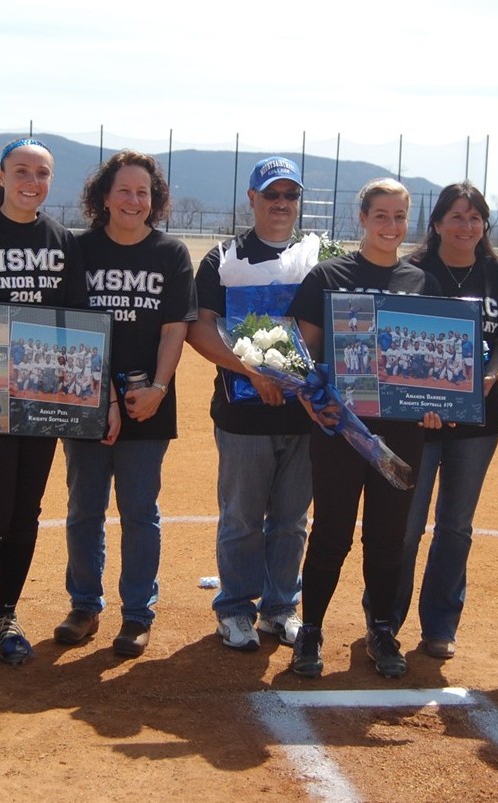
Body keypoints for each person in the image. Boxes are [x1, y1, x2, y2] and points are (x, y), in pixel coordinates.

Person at [286, 178, 443, 679]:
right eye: (381, 215)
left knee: (388, 535)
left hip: (401, 429)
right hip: (339, 428)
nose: (391, 226)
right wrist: (313, 400)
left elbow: (432, 356)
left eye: (400, 217)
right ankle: (310, 630)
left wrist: (434, 403)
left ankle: (380, 628)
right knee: (331, 531)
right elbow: (303, 352)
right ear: (362, 218)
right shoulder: (328, 276)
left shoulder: (421, 282)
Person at [0, 139, 86, 670]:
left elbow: (75, 317)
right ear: (0, 174)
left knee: (26, 511)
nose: (32, 180)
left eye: (42, 172)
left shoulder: (61, 240)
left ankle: (6, 616)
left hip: (42, 391)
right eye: (21, 170)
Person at [56, 150, 196, 658]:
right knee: (84, 509)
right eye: (124, 190)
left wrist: (157, 388)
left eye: (143, 192)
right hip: (86, 397)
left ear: (154, 199)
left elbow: (174, 327)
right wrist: (104, 395)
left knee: (140, 512)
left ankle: (136, 614)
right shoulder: (78, 249)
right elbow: (71, 325)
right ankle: (84, 605)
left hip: (149, 405)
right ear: (104, 196)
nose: (133, 200)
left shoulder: (171, 254)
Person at [388, 182, 498, 660]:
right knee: (406, 523)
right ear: (437, 223)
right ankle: (385, 618)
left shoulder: (497, 272)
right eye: (457, 217)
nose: (467, 226)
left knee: (456, 526)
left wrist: (491, 373)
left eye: (475, 217)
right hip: (417, 418)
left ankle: (440, 624)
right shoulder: (413, 271)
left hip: (478, 419)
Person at [186, 157, 312, 651]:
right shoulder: (223, 259)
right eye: (272, 194)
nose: (281, 204)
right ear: (252, 199)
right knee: (241, 516)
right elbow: (200, 328)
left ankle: (281, 608)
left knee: (292, 518)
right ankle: (236, 607)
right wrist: (252, 371)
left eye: (290, 195)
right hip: (243, 412)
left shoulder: (321, 254)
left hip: (304, 412)